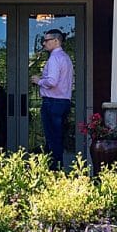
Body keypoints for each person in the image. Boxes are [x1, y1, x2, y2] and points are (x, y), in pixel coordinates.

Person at [31, 27, 74, 169]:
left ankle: (55, 170)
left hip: (53, 102)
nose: (44, 43)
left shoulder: (55, 58)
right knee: (59, 138)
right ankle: (58, 168)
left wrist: (39, 81)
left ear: (56, 41)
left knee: (52, 139)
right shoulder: (66, 58)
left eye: (47, 40)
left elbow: (52, 81)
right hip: (64, 101)